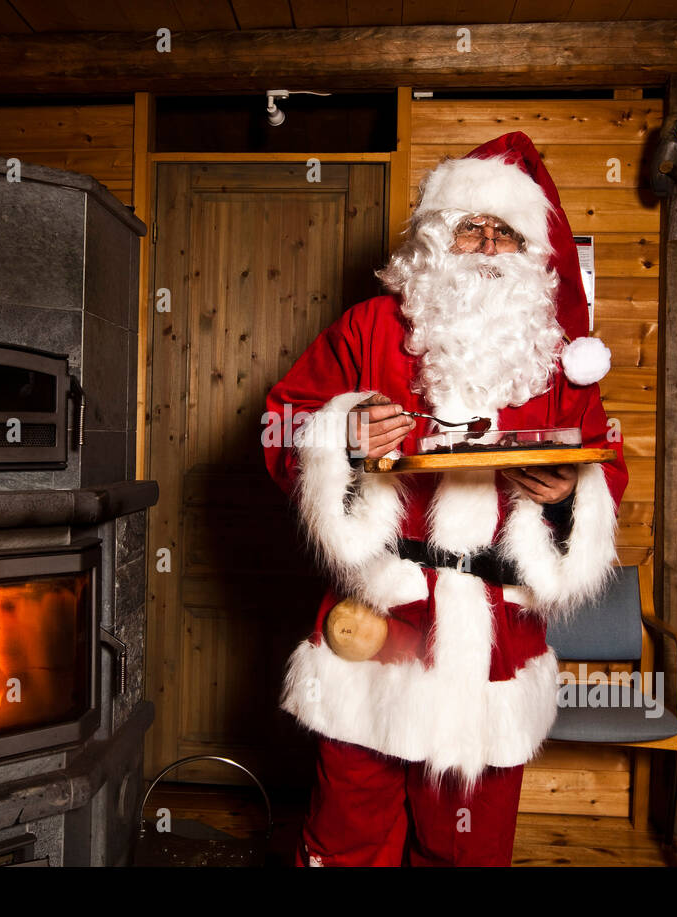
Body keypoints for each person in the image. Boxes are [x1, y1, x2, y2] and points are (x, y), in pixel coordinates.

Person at [261, 132, 627, 867]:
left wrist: (564, 497)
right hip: (381, 622)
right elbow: (282, 422)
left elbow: (599, 464)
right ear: (436, 239)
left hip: (497, 635)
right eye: (470, 226)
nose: (487, 244)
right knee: (347, 836)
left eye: (506, 232)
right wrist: (345, 435)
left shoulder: (555, 353)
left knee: (467, 847)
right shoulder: (369, 328)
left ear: (531, 251)